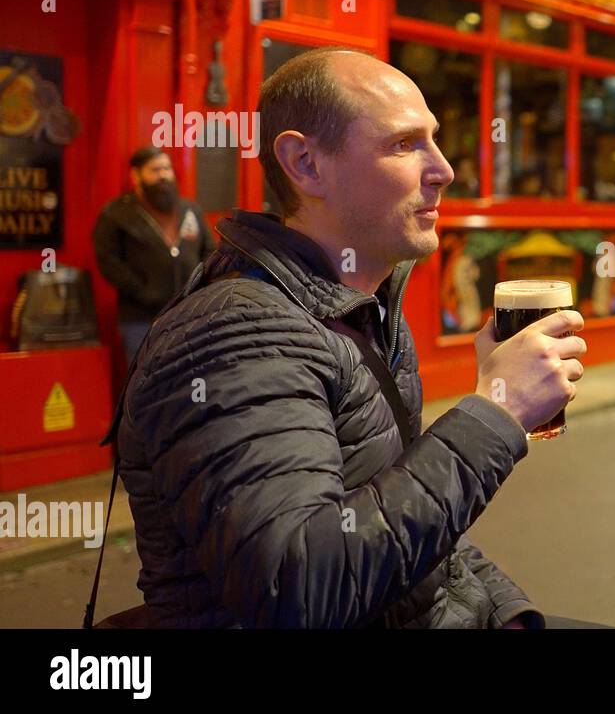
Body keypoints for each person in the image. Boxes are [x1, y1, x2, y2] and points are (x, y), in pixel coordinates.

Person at [105, 47, 586, 628]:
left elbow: (407, 520)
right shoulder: (235, 335)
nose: (444, 170)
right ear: (305, 164)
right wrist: (495, 411)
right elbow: (297, 587)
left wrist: (510, 613)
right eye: (405, 144)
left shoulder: (362, 305)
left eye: (433, 139)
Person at [91, 147, 215, 364]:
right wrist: (143, 291)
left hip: (189, 315)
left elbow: (209, 250)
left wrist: (199, 286)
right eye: (155, 170)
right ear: (136, 175)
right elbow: (108, 261)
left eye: (167, 168)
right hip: (140, 321)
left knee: (188, 380)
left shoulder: (190, 209)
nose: (164, 175)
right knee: (147, 385)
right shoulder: (117, 213)